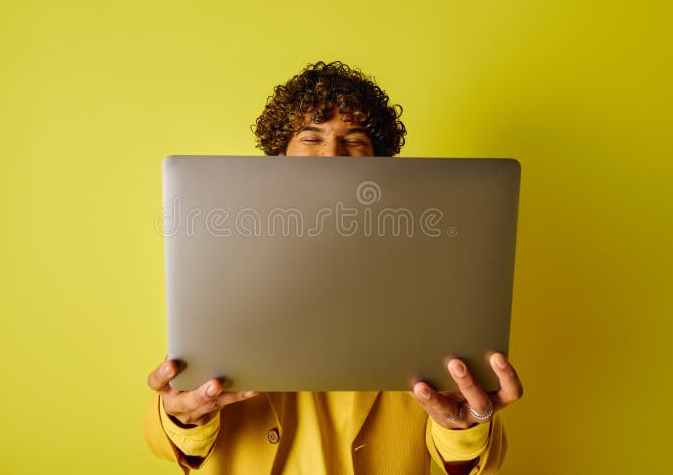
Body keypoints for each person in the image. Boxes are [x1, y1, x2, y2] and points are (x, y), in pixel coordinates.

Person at [144, 61, 523, 474]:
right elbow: (169, 440)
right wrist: (183, 416)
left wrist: (466, 424)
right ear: (279, 156)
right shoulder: (219, 261)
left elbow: (471, 458)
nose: (332, 155)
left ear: (379, 165)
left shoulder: (435, 278)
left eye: (355, 140)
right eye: (311, 137)